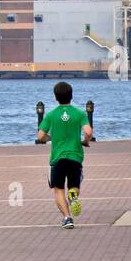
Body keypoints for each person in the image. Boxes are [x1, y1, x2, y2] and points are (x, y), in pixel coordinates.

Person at [36, 80, 93, 228]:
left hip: (58, 157)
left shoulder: (51, 115)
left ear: (55, 97)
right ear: (71, 96)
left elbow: (40, 136)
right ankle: (73, 198)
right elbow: (88, 132)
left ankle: (67, 218)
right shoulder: (80, 113)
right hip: (75, 156)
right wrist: (85, 141)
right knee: (73, 185)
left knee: (59, 188)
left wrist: (50, 138)